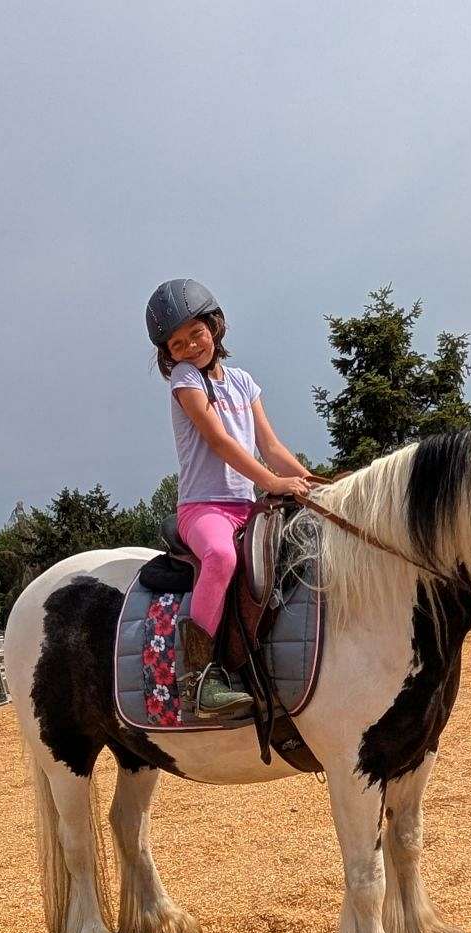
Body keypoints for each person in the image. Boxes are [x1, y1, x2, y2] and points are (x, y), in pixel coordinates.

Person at [146, 278, 311, 720]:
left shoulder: (242, 382)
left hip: (247, 506)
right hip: (204, 508)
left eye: (195, 333)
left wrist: (309, 481)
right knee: (220, 557)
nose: (190, 346)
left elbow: (271, 448)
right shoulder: (185, 381)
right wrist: (273, 484)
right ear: (170, 354)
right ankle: (199, 680)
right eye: (177, 343)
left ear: (214, 326)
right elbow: (219, 441)